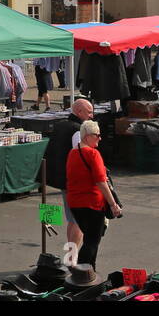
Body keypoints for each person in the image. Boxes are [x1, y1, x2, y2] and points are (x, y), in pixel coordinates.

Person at [65, 120, 121, 268]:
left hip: (75, 203)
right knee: (92, 241)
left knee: (90, 238)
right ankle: (82, 273)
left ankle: (90, 272)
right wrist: (113, 204)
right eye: (97, 135)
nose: (100, 138)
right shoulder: (93, 154)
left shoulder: (72, 152)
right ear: (88, 136)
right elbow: (101, 182)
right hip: (92, 203)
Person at [45, 98, 93, 251]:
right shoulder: (78, 130)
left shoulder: (61, 125)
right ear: (79, 112)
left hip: (61, 179)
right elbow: (80, 157)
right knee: (79, 220)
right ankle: (72, 257)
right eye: (89, 112)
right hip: (74, 181)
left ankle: (70, 255)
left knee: (72, 220)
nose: (92, 115)